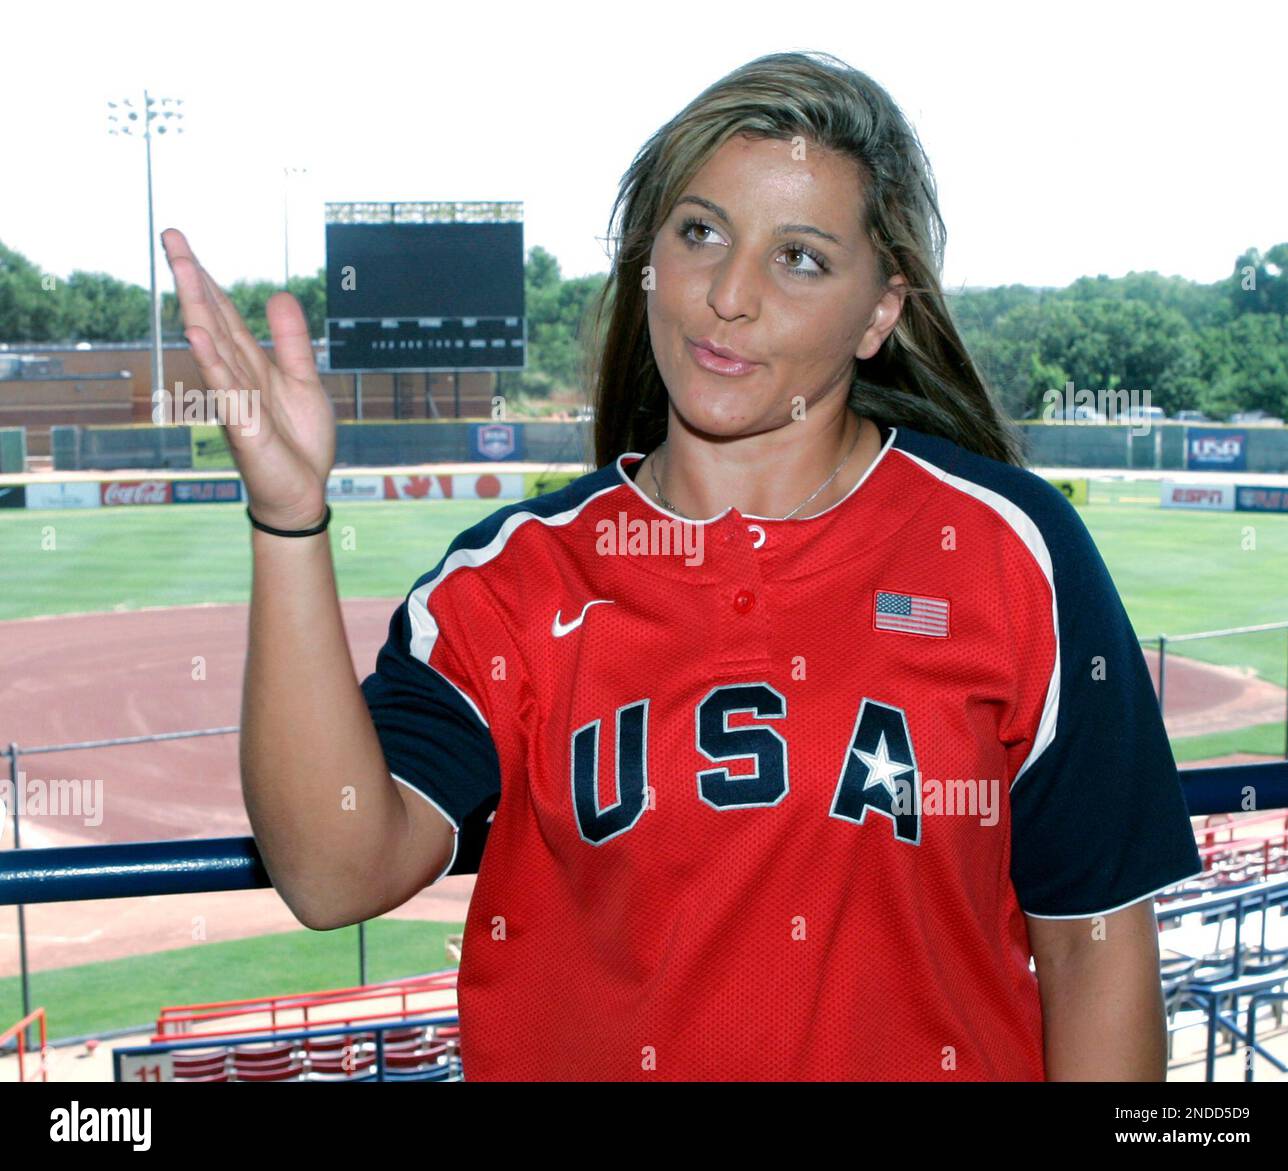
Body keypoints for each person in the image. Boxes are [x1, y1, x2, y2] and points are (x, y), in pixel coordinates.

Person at [162, 49, 1202, 1082]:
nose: (728, 296)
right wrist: (290, 520)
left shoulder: (1009, 552)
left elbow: (1093, 945)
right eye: (700, 233)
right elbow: (332, 869)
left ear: (880, 311)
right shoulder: (512, 579)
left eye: (800, 257)